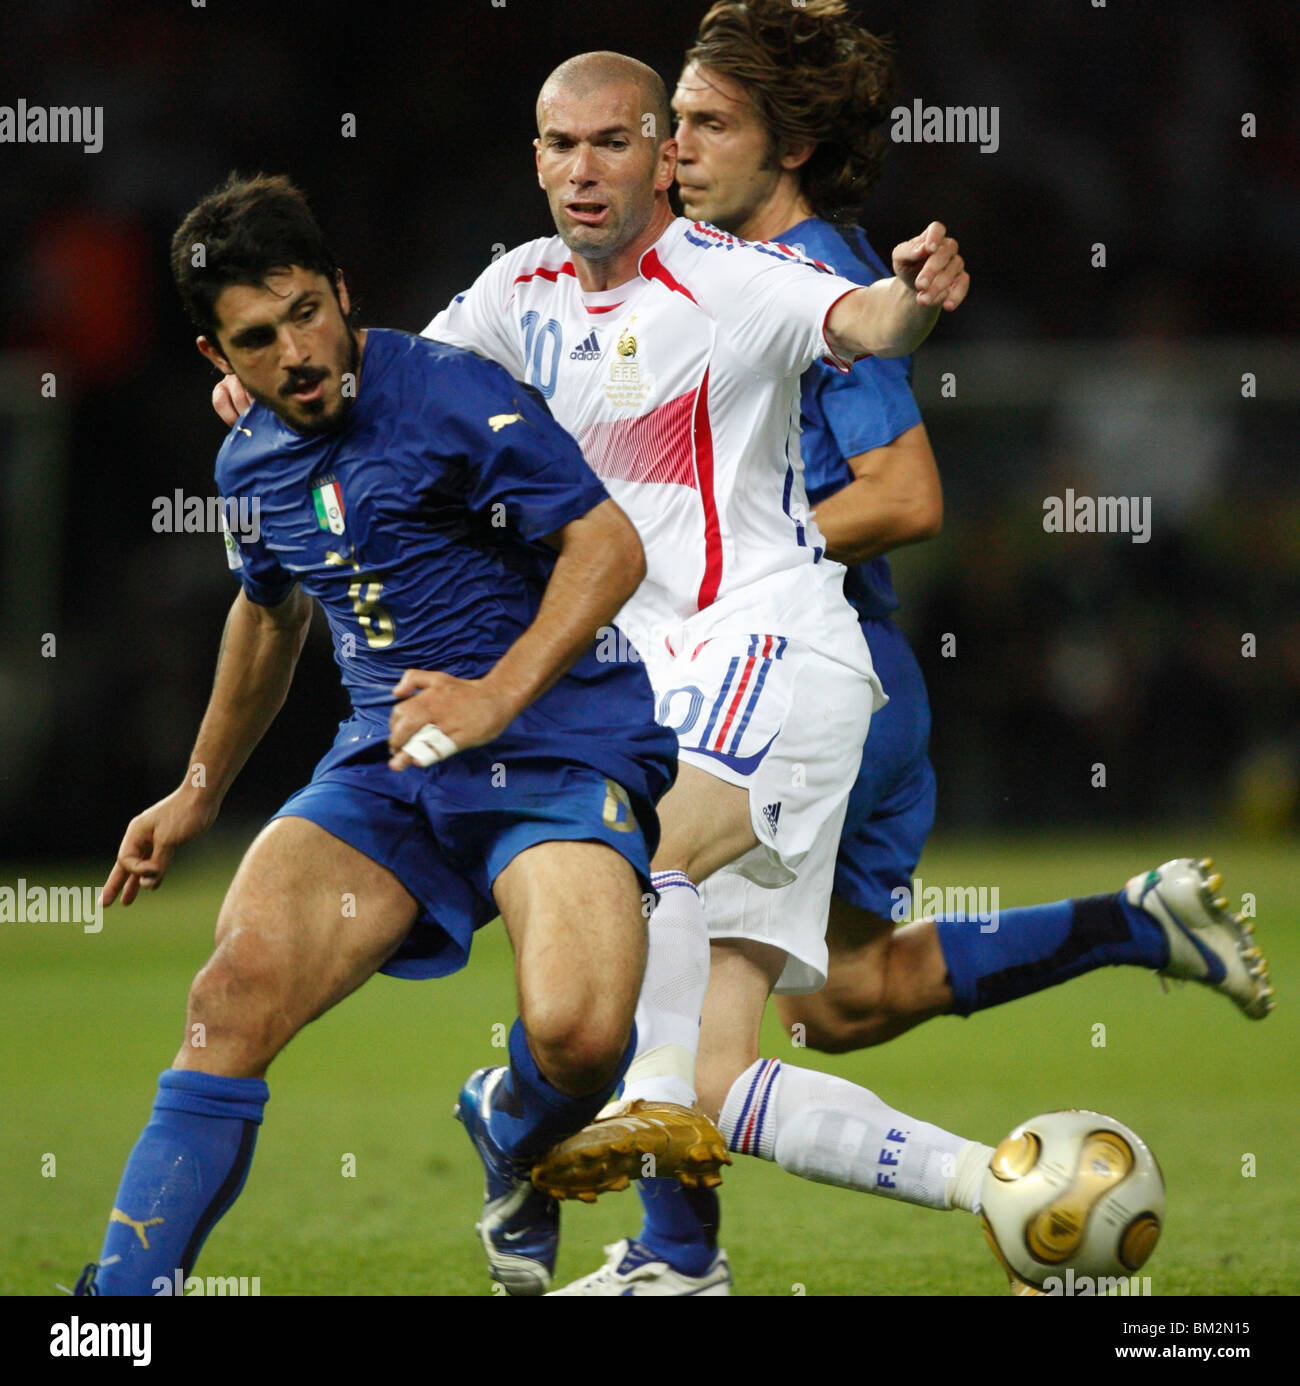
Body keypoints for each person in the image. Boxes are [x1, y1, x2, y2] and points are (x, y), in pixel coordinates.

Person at [542, 1, 1273, 1295]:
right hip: (843, 679)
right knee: (849, 999)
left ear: (796, 143)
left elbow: (905, 491)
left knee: (651, 918)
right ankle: (1131, 922)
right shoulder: (724, 258)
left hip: (807, 681)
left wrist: (721, 557)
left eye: (706, 124)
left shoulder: (809, 272)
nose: (671, 150)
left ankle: (676, 1256)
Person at [74, 171, 682, 1299]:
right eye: (257, 337)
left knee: (583, 1037)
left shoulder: (452, 392)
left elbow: (607, 548)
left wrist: (491, 698)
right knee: (229, 998)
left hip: (552, 748)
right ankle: (118, 1308)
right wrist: (198, 788)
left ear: (341, 292)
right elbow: (268, 611)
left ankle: (509, 1123)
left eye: (307, 311)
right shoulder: (246, 462)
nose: (297, 352)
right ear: (219, 359)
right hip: (387, 770)